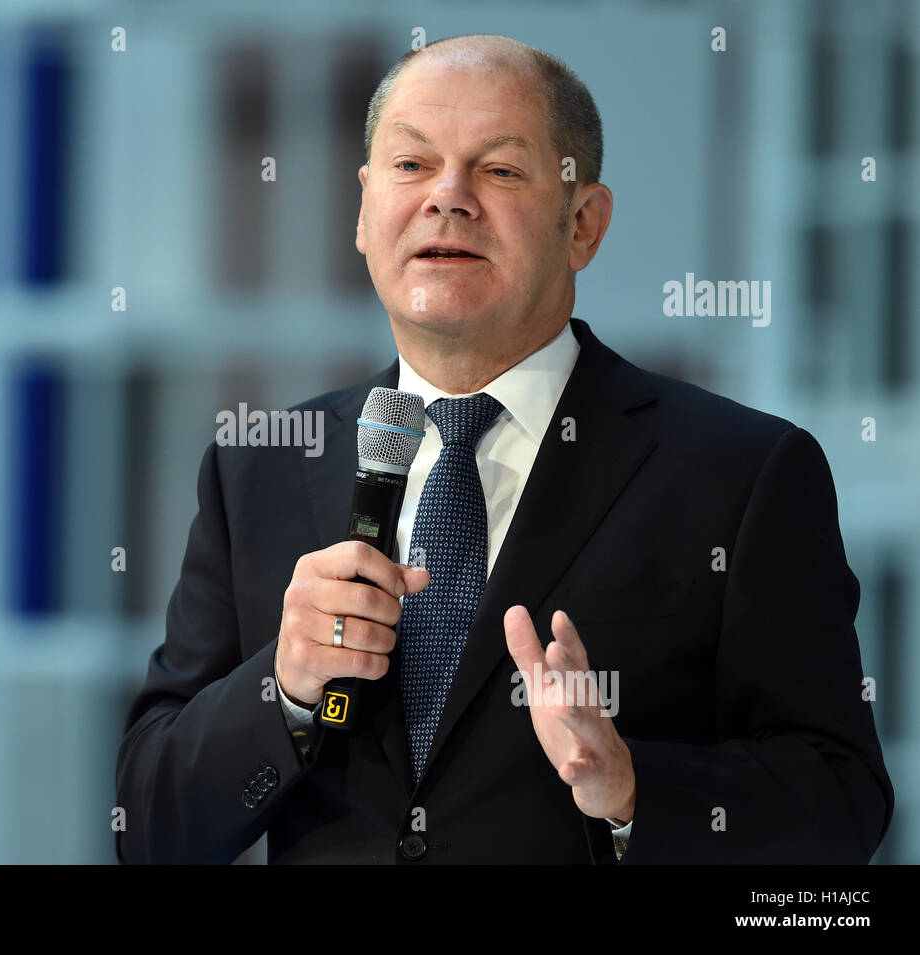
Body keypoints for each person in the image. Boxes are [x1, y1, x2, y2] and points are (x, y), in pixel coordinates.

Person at [114, 34, 893, 864]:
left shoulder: (739, 473)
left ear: (583, 224)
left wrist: (634, 790)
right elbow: (153, 829)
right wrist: (287, 688)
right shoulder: (257, 469)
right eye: (412, 166)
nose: (448, 199)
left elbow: (839, 797)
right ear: (363, 211)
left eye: (501, 170)